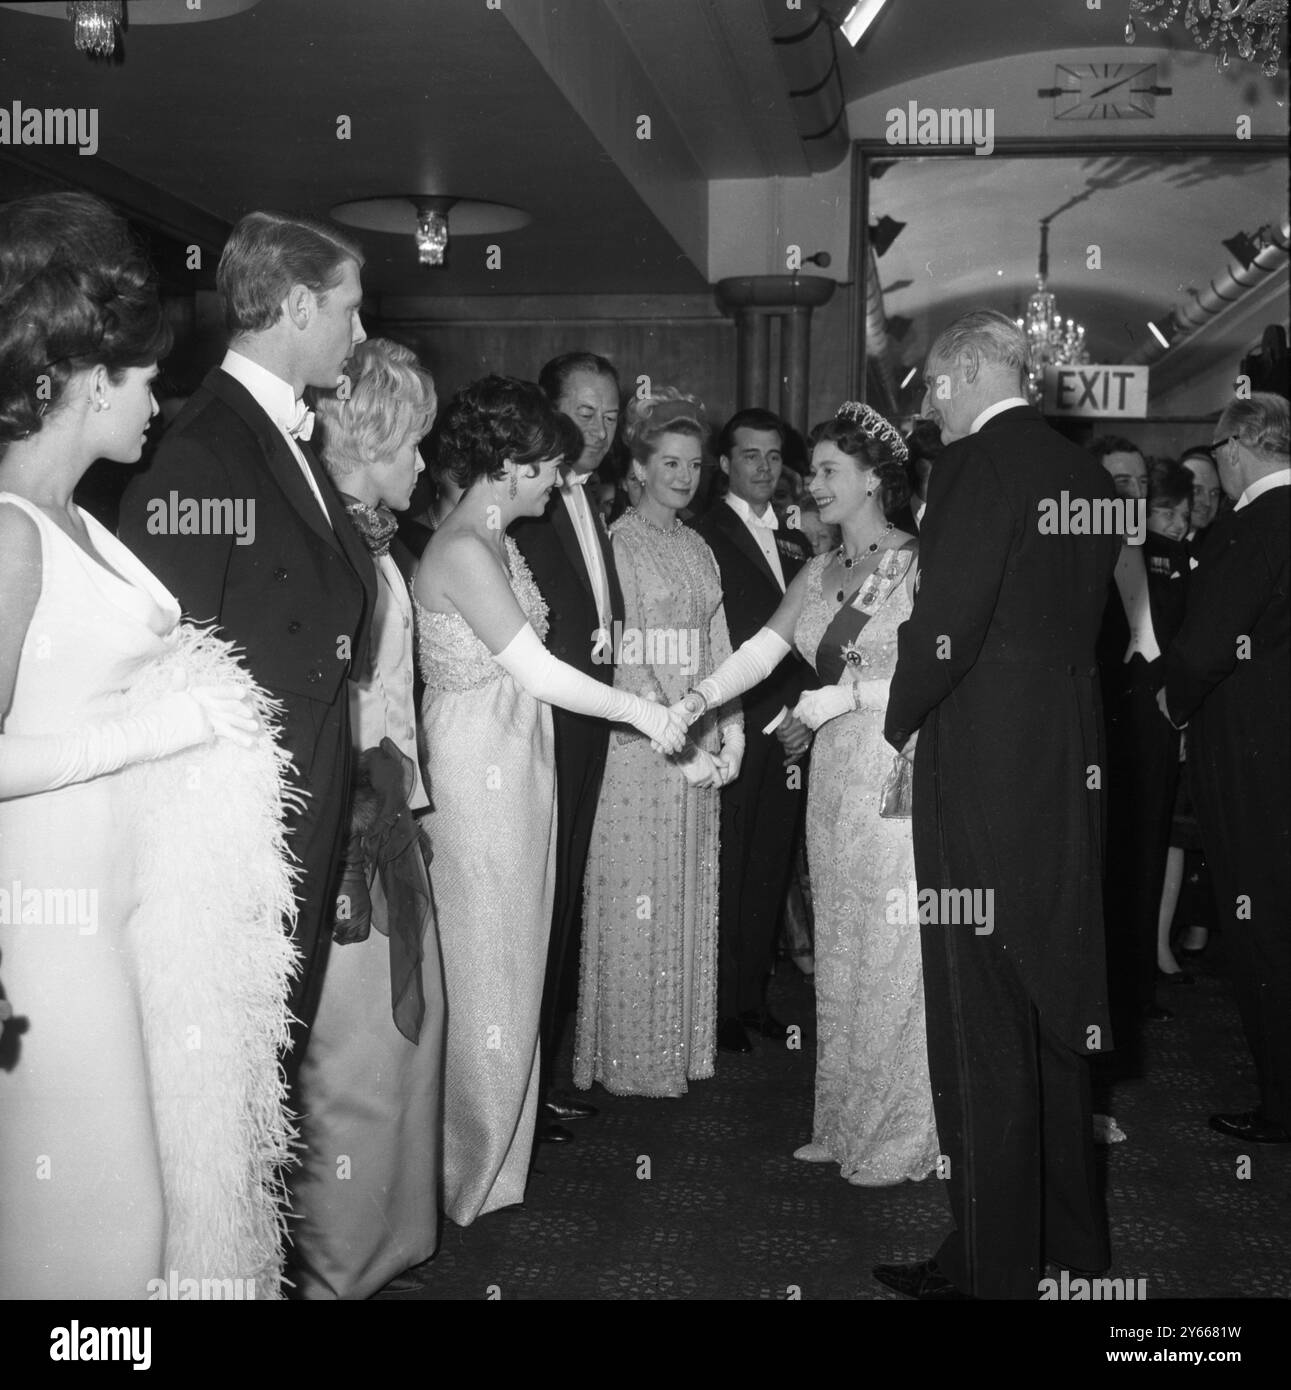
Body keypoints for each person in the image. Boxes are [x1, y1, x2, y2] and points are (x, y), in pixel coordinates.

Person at [0, 192, 296, 1298]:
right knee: (103, 1233)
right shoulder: (12, 533)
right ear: (83, 384)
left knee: (153, 1212)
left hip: (122, 907)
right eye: (140, 378)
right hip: (50, 925)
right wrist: (153, 732)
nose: (158, 399)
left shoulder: (80, 514)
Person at [878, 310, 1120, 1300]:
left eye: (935, 382)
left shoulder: (980, 466)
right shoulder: (1089, 473)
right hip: (1069, 760)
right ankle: (1073, 1238)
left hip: (980, 764)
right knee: (1055, 998)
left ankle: (989, 1265)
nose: (930, 405)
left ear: (975, 367)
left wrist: (894, 723)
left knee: (979, 1018)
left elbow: (946, 627)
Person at [413, 375, 684, 1224]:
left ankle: (490, 1156)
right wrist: (642, 712)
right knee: (488, 963)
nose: (558, 481)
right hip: (476, 766)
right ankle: (467, 1169)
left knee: (516, 959)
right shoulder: (461, 547)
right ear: (506, 465)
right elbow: (535, 669)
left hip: (517, 754)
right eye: (546, 468)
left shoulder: (496, 536)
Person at [118, 212, 376, 1076]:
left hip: (303, 786)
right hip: (245, 810)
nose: (361, 330)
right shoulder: (200, 451)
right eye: (351, 308)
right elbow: (164, 662)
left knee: (272, 1052)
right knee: (231, 1062)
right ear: (300, 306)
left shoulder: (282, 432)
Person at [680, 403, 938, 1185]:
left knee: (891, 952)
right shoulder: (820, 570)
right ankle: (844, 1121)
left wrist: (850, 699)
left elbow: (944, 671)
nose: (812, 483)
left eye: (828, 471)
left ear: (871, 481)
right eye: (814, 470)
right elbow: (760, 651)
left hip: (894, 769)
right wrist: (699, 700)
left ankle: (900, 1137)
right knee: (840, 949)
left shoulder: (919, 563)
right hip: (830, 777)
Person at [287, 339, 447, 1297]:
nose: (425, 465)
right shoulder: (327, 548)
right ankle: (337, 1258)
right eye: (412, 444)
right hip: (344, 824)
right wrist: (356, 828)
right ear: (372, 438)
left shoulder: (378, 544)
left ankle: (384, 1239)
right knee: (348, 1052)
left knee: (400, 1040)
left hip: (387, 814)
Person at [575, 389, 743, 1097]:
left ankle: (675, 1050)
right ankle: (628, 1061)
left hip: (698, 737)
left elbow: (719, 641)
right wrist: (678, 741)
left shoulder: (697, 544)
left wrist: (730, 729)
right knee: (634, 898)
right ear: (638, 467)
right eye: (668, 462)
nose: (683, 475)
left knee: (683, 891)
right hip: (640, 750)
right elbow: (625, 660)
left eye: (695, 464)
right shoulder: (617, 545)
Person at [1158, 392, 1291, 1145]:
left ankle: (1280, 1103)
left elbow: (1205, 647)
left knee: (1262, 925)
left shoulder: (1250, 529)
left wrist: (1172, 704)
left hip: (1253, 760)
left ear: (1238, 448)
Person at [510, 351, 627, 1143]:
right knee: (528, 907)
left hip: (587, 728)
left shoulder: (591, 500)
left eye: (610, 417)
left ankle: (537, 1082)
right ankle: (509, 1093)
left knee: (561, 904)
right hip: (537, 726)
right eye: (582, 413)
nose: (596, 430)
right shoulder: (523, 504)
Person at [694, 408, 811, 1053]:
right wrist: (767, 714)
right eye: (750, 456)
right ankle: (719, 1006)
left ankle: (752, 996)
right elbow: (728, 641)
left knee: (772, 862)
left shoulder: (796, 539)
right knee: (730, 866)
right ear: (726, 463)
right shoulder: (704, 531)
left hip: (793, 725)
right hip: (738, 718)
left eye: (773, 457)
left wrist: (806, 712)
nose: (764, 468)